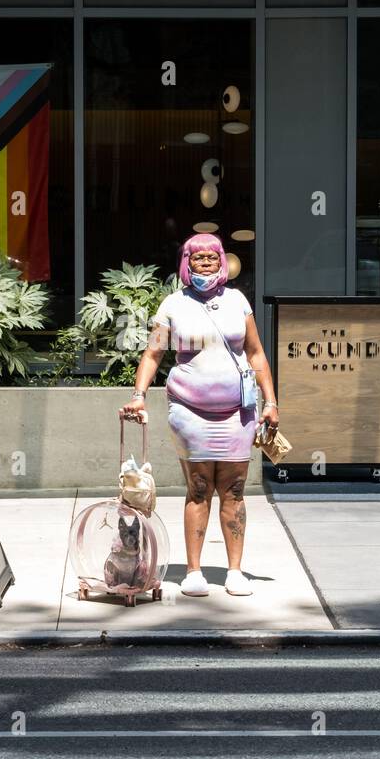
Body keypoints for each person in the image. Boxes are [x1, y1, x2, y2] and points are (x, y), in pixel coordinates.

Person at [119, 234, 278, 597]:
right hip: (190, 411)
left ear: (222, 262)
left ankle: (235, 572)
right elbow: (153, 354)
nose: (205, 264)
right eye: (197, 259)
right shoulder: (173, 304)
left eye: (211, 258)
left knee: (235, 491)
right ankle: (193, 571)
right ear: (186, 264)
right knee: (200, 489)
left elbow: (255, 354)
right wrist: (139, 396)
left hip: (238, 411)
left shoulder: (237, 301)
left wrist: (270, 401)